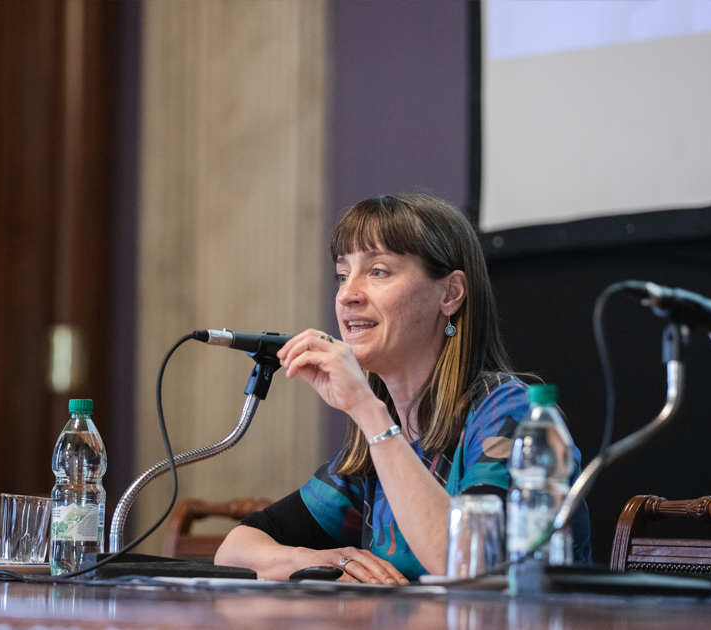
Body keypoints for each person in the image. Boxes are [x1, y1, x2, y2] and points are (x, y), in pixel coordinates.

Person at [214, 193, 591, 584]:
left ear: (450, 294)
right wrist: (321, 563)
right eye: (343, 275)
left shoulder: (511, 413)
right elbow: (235, 551)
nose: (347, 294)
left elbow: (468, 565)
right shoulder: (380, 442)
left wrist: (366, 408)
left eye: (377, 271)